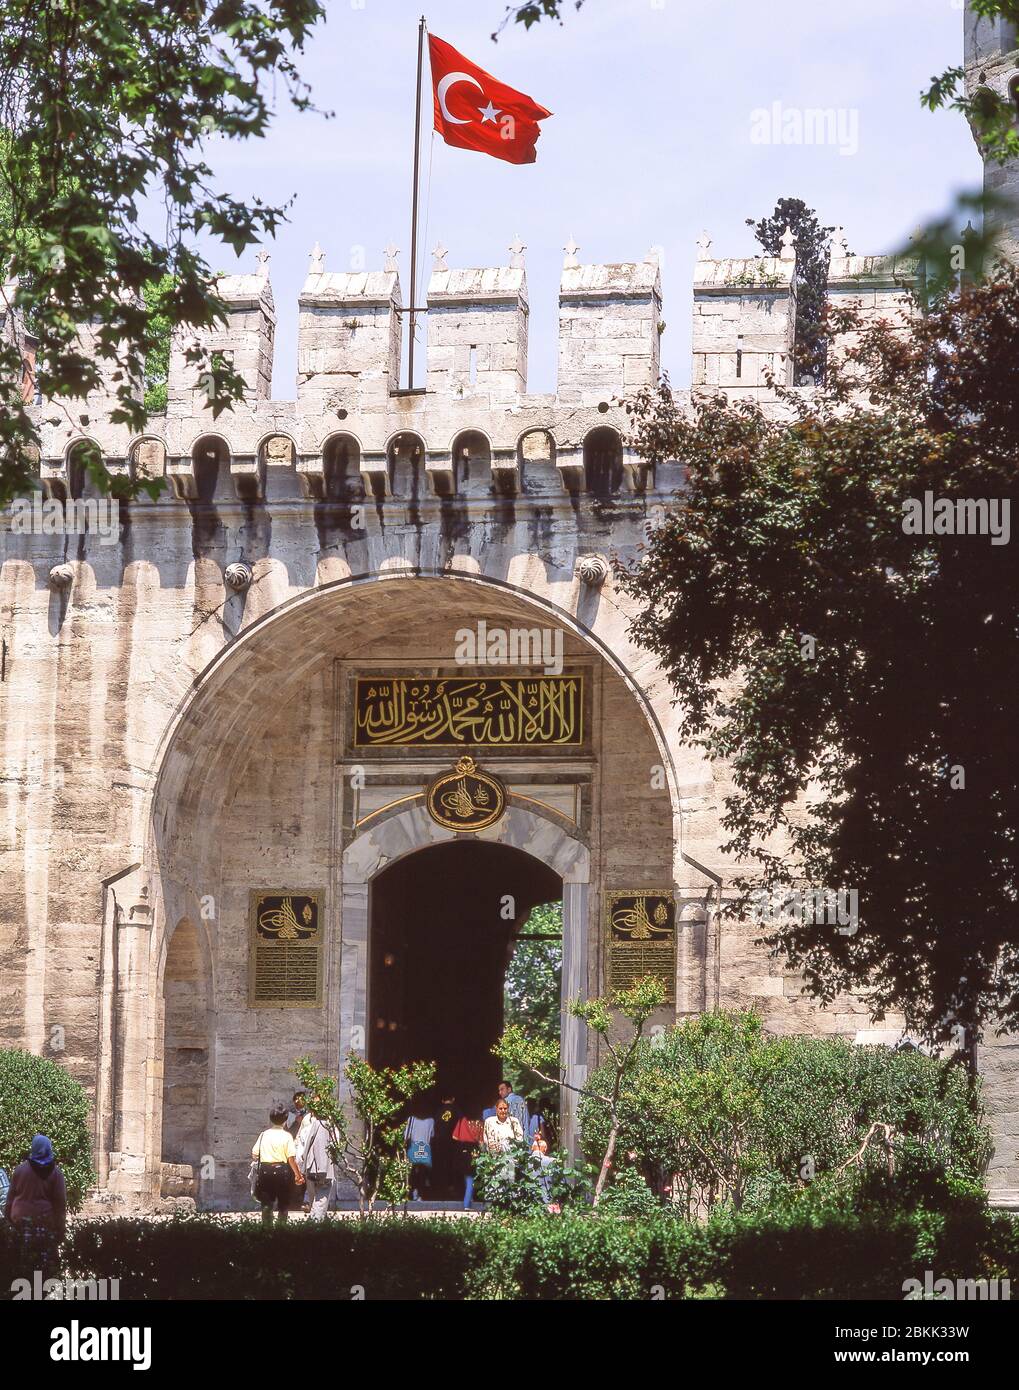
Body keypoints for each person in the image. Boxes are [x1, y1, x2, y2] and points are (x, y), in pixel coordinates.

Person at [3, 1134, 67, 1279]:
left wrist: (8, 1220)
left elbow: (10, 1198)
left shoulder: (20, 1170)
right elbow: (60, 1204)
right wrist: (60, 1228)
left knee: (22, 1264)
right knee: (44, 1269)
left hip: (20, 1223)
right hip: (45, 1225)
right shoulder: (56, 1174)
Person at [252, 1103, 305, 1226]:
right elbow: (291, 1158)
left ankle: (267, 1228)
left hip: (265, 1171)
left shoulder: (264, 1134)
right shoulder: (287, 1136)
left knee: (267, 1205)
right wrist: (298, 1175)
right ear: (285, 1120)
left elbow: (254, 1154)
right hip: (282, 1172)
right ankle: (281, 1229)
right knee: (283, 1205)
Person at [295, 1096, 336, 1220]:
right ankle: (316, 1223)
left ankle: (316, 1222)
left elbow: (303, 1149)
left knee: (314, 1199)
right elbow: (336, 1145)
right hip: (324, 1168)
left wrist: (302, 1168)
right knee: (322, 1198)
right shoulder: (330, 1126)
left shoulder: (308, 1128)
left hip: (311, 1167)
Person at [404, 1106, 435, 1202]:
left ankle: (413, 1191)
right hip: (425, 1147)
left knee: (413, 1171)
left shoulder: (411, 1119)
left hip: (414, 1146)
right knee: (423, 1172)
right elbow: (432, 1135)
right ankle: (420, 1194)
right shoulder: (431, 1120)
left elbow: (406, 1136)